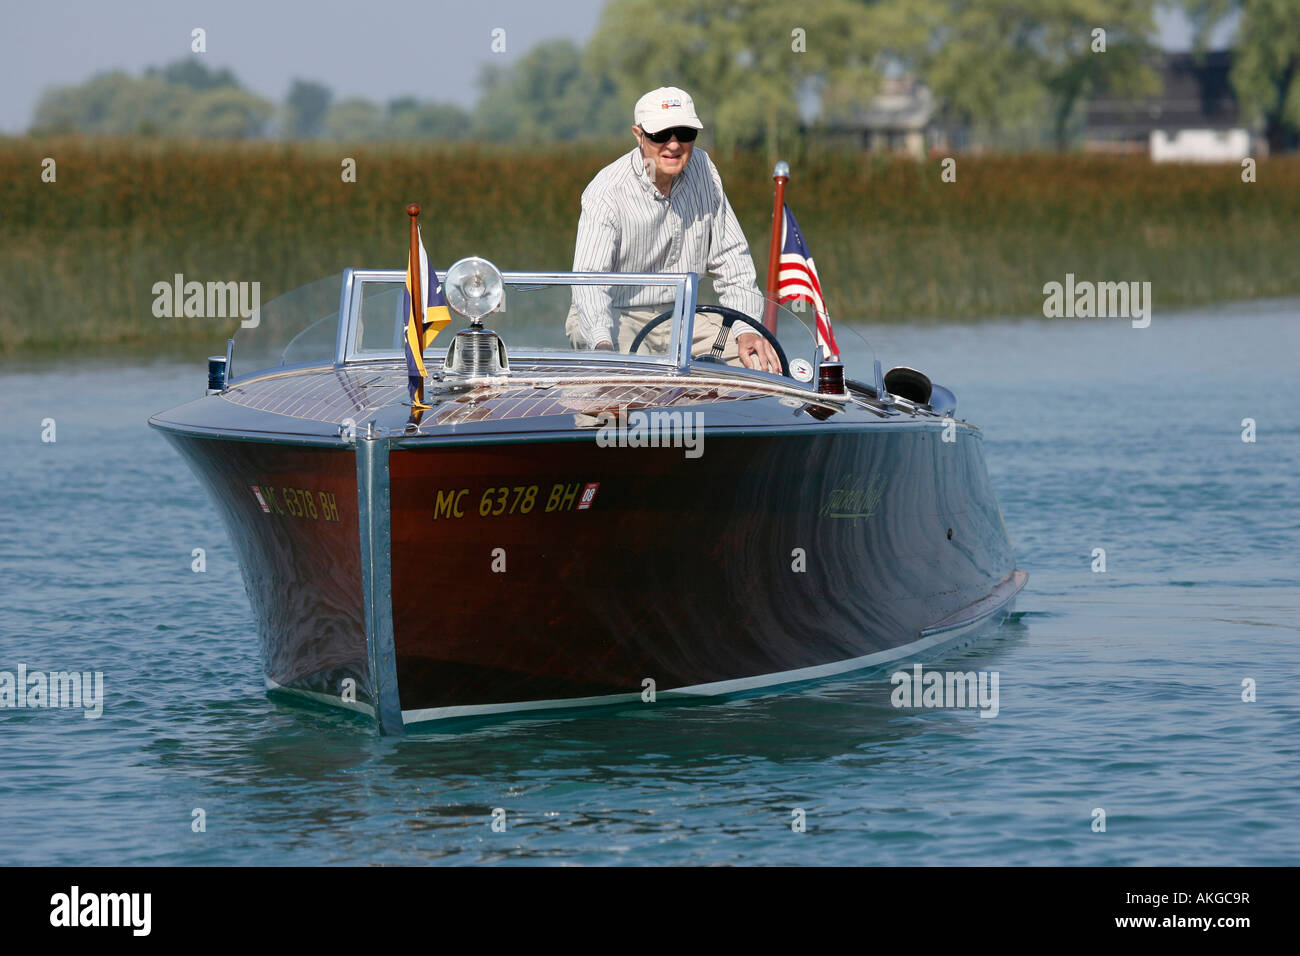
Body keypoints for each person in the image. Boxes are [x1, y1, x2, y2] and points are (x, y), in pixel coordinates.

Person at [566, 86, 782, 373]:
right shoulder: (605, 192)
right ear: (638, 135)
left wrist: (747, 328)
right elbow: (589, 283)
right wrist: (603, 346)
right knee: (618, 391)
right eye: (660, 135)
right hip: (614, 317)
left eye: (685, 133)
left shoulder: (705, 169)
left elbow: (732, 260)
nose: (673, 145)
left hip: (683, 317)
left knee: (761, 364)